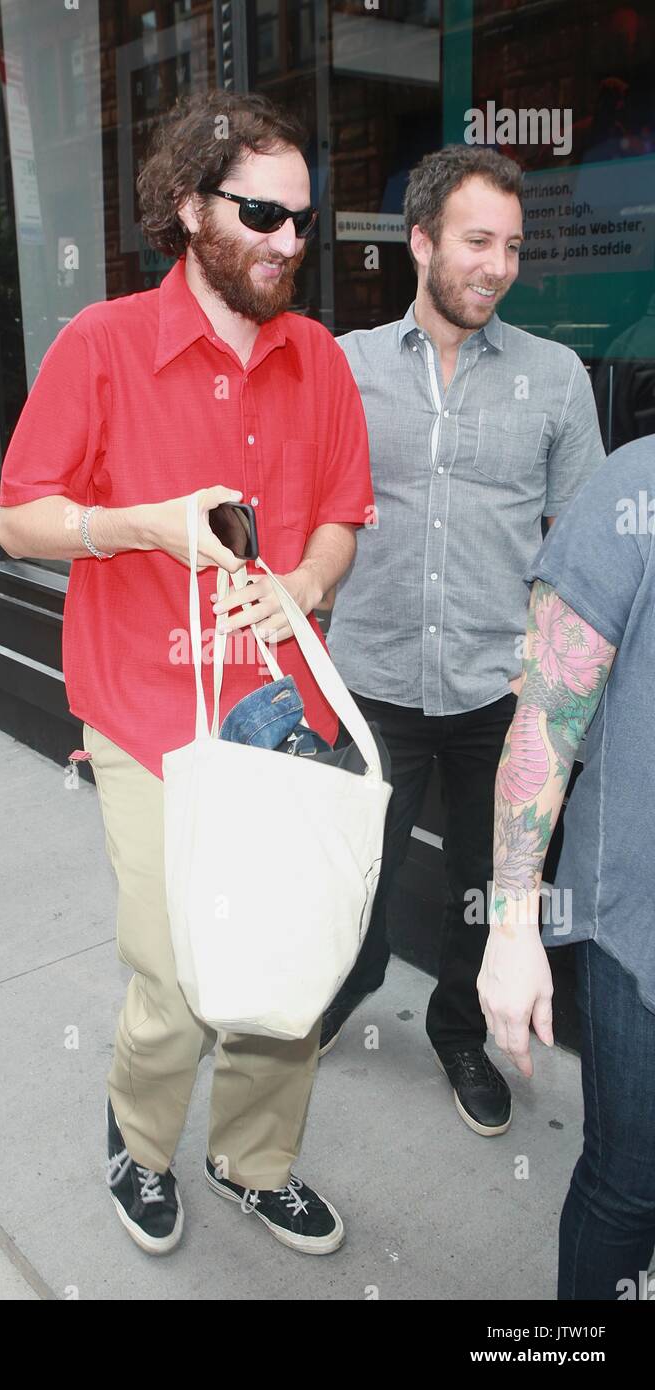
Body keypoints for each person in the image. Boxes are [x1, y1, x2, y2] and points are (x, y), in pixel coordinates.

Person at [0, 90, 374, 1256]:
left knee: (284, 963)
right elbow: (21, 520)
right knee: (175, 971)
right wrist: (145, 524)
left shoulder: (320, 359)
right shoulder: (100, 345)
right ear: (189, 206)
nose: (289, 241)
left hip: (284, 716)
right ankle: (139, 1137)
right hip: (147, 713)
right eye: (263, 213)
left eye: (303, 219)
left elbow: (345, 518)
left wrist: (304, 587)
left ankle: (253, 1159)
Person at [320, 145, 605, 1139]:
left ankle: (456, 1030)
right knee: (353, 873)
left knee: (479, 895)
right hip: (370, 684)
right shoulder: (344, 366)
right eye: (477, 241)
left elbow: (582, 555)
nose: (497, 265)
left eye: (514, 247)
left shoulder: (557, 379)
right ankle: (339, 986)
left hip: (499, 693)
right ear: (421, 242)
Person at [479, 436, 655, 1299]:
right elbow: (543, 721)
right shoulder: (636, 490)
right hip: (641, 941)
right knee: (629, 1192)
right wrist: (512, 928)